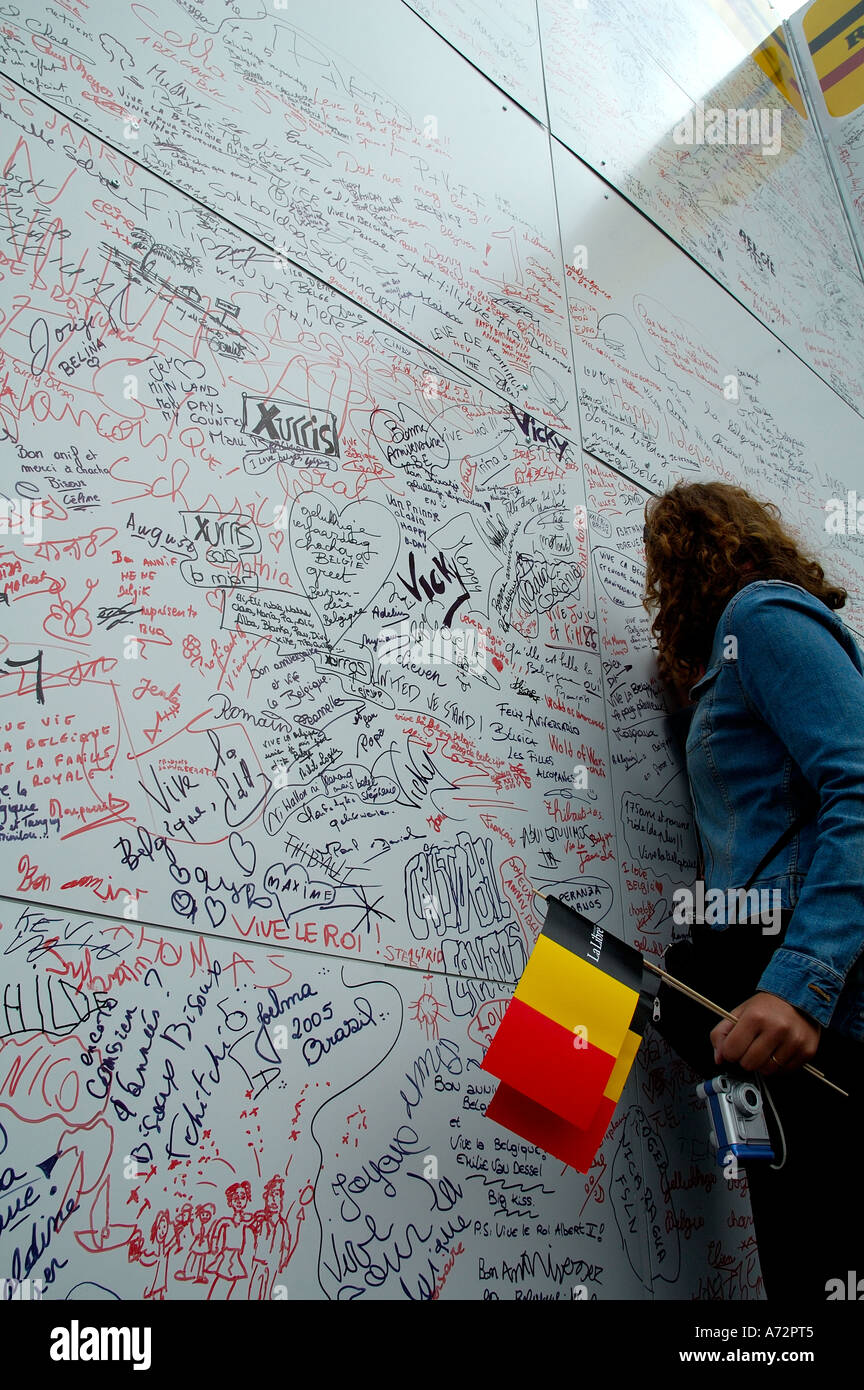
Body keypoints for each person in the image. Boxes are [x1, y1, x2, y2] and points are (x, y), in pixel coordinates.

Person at [641, 479, 864, 1301]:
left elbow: (862, 786)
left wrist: (801, 987)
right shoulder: (728, 660)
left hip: (822, 1013)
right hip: (770, 1002)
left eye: (663, 567)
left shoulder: (761, 617)